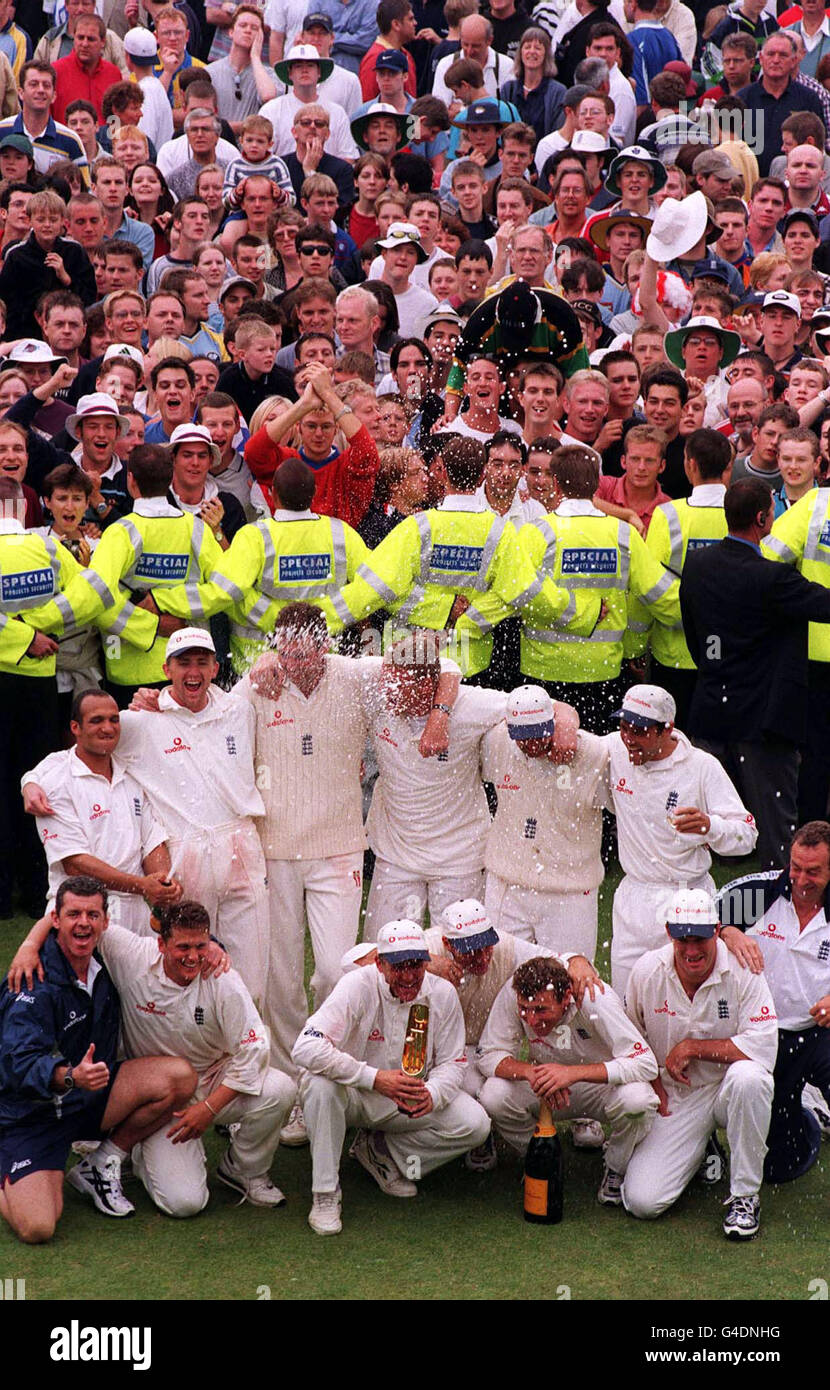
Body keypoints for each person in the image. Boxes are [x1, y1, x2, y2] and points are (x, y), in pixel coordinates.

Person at [10, 896, 296, 1214]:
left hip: (213, 1080)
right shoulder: (131, 955)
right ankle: (136, 1150)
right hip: (157, 1095)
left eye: (200, 946)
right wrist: (29, 944)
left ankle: (243, 1169)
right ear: (161, 944)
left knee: (281, 1090)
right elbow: (73, 917)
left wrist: (208, 1109)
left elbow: (255, 1049)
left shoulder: (221, 976)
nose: (193, 958)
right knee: (185, 1203)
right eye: (183, 948)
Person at [0, 875, 198, 1241]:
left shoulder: (106, 959)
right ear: (55, 920)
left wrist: (212, 947)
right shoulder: (32, 979)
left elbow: (175, 948)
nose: (84, 923)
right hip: (33, 1117)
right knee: (38, 1227)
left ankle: (100, 1164)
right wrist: (70, 1075)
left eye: (93, 914)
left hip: (87, 1099)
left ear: (106, 922)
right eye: (73, 913)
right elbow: (17, 1065)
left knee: (179, 1078)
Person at [324, 435, 603, 680]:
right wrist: (584, 614)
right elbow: (526, 591)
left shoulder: (418, 527)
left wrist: (317, 623)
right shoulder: (499, 532)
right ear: (483, 475)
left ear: (442, 473)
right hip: (467, 662)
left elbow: (371, 589)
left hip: (412, 659)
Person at [292, 918, 491, 1235]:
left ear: (427, 962)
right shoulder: (357, 984)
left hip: (406, 1101)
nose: (410, 976)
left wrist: (433, 1094)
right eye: (399, 966)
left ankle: (382, 1153)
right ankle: (325, 1194)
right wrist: (373, 1078)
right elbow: (304, 1047)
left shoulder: (441, 994)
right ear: (380, 964)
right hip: (354, 1094)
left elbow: (453, 1063)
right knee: (320, 1085)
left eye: (417, 965)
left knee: (474, 1123)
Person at [682, 479, 830, 868]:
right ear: (763, 518)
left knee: (705, 822)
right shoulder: (775, 579)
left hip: (712, 709)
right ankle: (780, 907)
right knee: (776, 832)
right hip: (763, 723)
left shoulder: (697, 565)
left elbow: (697, 638)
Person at [621, 887, 778, 1241]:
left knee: (751, 1078)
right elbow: (629, 1038)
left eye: (700, 939)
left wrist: (695, 1047)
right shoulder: (647, 970)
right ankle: (701, 1147)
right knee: (642, 1201)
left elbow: (765, 1046)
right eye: (683, 939)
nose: (692, 950)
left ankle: (745, 1196)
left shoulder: (742, 967)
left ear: (717, 930)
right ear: (669, 934)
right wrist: (654, 1084)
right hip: (678, 1095)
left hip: (727, 1089)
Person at [605, 683, 759, 995]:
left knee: (685, 1002)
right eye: (624, 728)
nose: (628, 739)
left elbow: (747, 835)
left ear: (667, 730)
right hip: (633, 898)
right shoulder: (613, 751)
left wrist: (710, 827)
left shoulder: (701, 767)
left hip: (686, 897)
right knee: (626, 1000)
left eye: (639, 731)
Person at [517, 444, 681, 732]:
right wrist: (710, 610)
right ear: (596, 485)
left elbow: (519, 593)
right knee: (598, 761)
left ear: (556, 483)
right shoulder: (622, 534)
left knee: (548, 765)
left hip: (544, 671)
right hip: (603, 671)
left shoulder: (537, 532)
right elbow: (661, 595)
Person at [476, 953, 659, 1204]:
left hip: (601, 1088)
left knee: (638, 1100)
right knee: (493, 1094)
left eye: (541, 1010)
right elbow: (488, 1054)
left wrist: (571, 1074)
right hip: (547, 1086)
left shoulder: (596, 999)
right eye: (524, 1010)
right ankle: (541, 1158)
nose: (531, 1020)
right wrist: (533, 1073)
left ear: (566, 998)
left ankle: (616, 1165)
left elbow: (645, 1063)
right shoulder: (514, 991)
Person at [361, 637, 507, 939]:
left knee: (463, 962)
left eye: (397, 687)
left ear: (428, 687)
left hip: (459, 860)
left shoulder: (471, 705)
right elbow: (449, 665)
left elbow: (545, 706)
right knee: (385, 956)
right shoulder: (380, 686)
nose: (386, 692)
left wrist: (440, 715)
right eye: (387, 682)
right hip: (395, 856)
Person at [719, 819, 830, 1185]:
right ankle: (808, 1110)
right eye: (795, 868)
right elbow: (699, 919)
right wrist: (729, 931)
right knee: (779, 1167)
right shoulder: (761, 892)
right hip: (763, 1035)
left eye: (813, 872)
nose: (800, 880)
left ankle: (814, 1095)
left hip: (819, 1033)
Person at [28, 688, 182, 932]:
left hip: (136, 915)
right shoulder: (54, 784)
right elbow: (75, 864)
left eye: (114, 719)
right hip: (80, 910)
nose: (108, 728)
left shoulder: (132, 773)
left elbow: (152, 841)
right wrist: (143, 885)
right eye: (96, 720)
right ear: (75, 728)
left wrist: (162, 882)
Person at [482, 685, 608, 961]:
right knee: (502, 977)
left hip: (570, 891)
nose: (531, 745)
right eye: (522, 737)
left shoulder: (593, 754)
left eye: (537, 734)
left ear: (553, 722)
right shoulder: (496, 742)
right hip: (507, 882)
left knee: (569, 979)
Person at [644, 428, 731, 727]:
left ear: (689, 464)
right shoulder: (741, 510)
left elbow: (650, 585)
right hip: (729, 654)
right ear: (728, 465)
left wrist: (634, 646)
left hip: (675, 655)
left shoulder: (667, 515)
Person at [764, 478, 830, 825]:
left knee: (816, 755)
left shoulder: (817, 503)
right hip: (815, 651)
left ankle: (813, 834)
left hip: (817, 649)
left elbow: (768, 556)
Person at [245, 364, 378, 530]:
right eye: (311, 426)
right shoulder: (287, 462)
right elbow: (254, 453)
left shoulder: (346, 466)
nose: (319, 434)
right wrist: (304, 404)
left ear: (337, 428)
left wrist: (328, 394)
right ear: (299, 427)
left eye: (326, 426)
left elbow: (367, 451)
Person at [441, 280, 589, 427]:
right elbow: (459, 370)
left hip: (554, 382)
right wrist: (450, 416)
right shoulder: (479, 323)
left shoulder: (563, 317)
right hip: (504, 393)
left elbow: (578, 377)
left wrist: (550, 423)